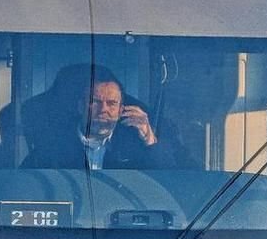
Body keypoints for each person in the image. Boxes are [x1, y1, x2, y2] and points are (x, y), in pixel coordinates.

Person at [20, 65, 173, 171]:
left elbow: (171, 184)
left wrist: (150, 140)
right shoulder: (52, 148)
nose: (103, 109)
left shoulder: (135, 146)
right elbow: (26, 184)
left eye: (111, 103)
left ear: (121, 110)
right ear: (80, 106)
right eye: (95, 102)